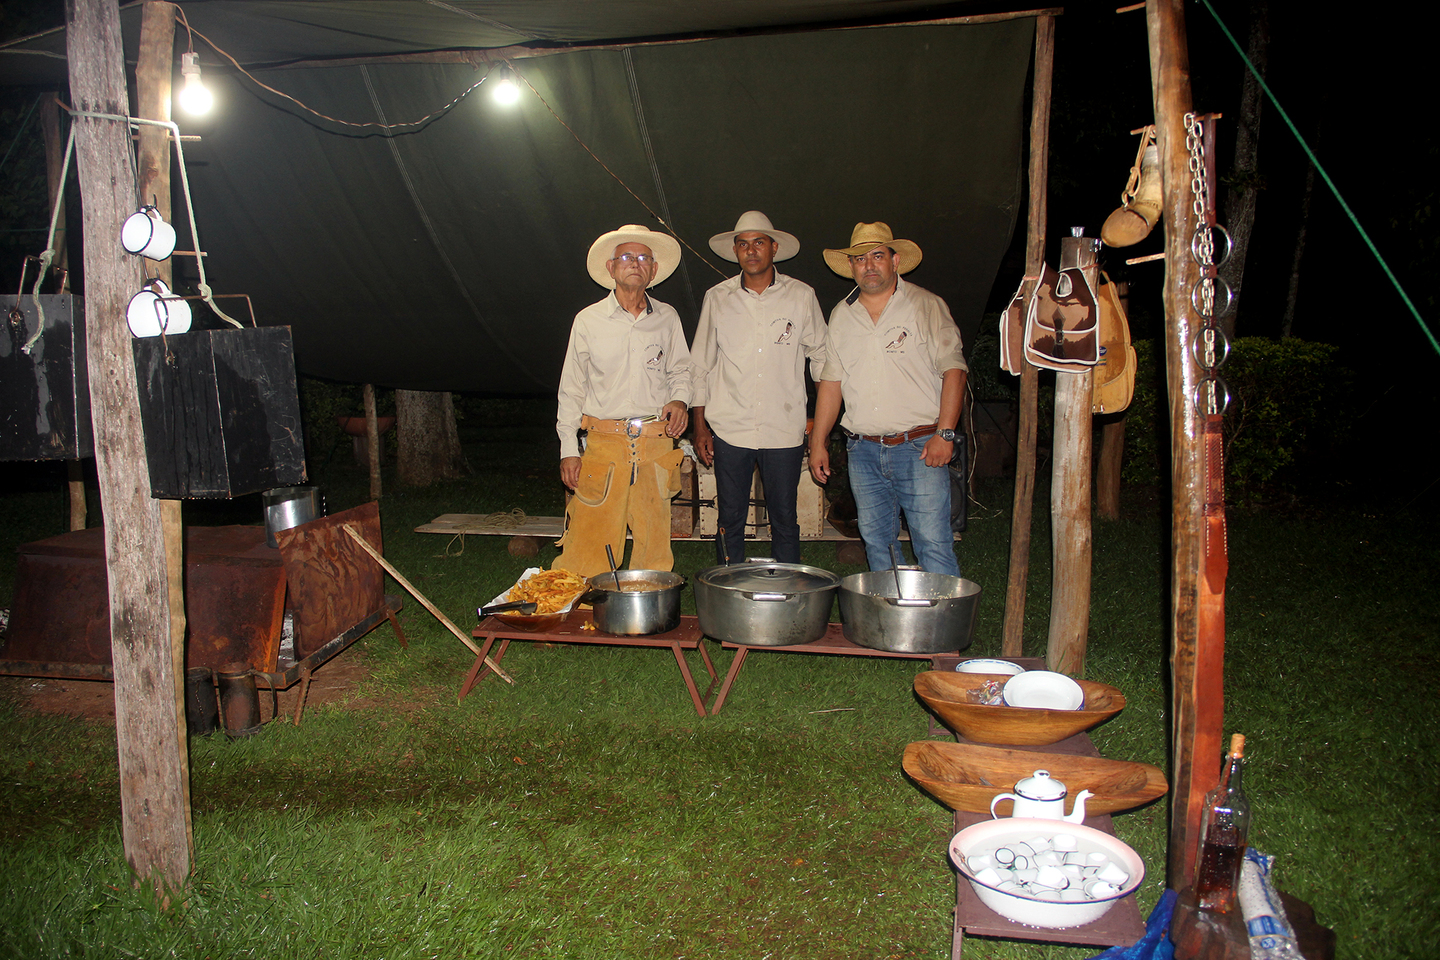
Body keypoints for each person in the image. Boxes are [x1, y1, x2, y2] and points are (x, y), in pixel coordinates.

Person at [808, 222, 967, 575]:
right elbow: (831, 384)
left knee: (932, 541)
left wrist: (945, 434)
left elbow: (954, 370)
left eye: (877, 256)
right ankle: (889, 623)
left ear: (895, 261)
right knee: (878, 542)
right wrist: (818, 442)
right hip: (863, 450)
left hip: (920, 446)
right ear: (851, 267)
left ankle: (942, 627)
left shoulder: (926, 305)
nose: (869, 265)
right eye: (860, 259)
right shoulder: (841, 315)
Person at [553, 224, 691, 577]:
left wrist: (679, 400)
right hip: (604, 444)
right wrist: (569, 447)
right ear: (612, 268)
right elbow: (571, 388)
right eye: (627, 257)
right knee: (589, 539)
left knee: (654, 543)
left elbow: (681, 371)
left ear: (654, 270)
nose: (635, 263)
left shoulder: (668, 318)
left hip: (656, 444)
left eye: (644, 257)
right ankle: (579, 618)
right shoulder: (588, 320)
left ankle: (648, 616)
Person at [691, 211, 827, 565]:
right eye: (743, 244)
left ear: (774, 248)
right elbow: (700, 366)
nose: (751, 251)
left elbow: (823, 362)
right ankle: (729, 593)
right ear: (736, 251)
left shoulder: (801, 296)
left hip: (784, 430)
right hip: (730, 428)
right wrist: (700, 426)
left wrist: (818, 423)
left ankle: (786, 597)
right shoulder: (717, 298)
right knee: (729, 520)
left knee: (785, 520)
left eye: (759, 243)